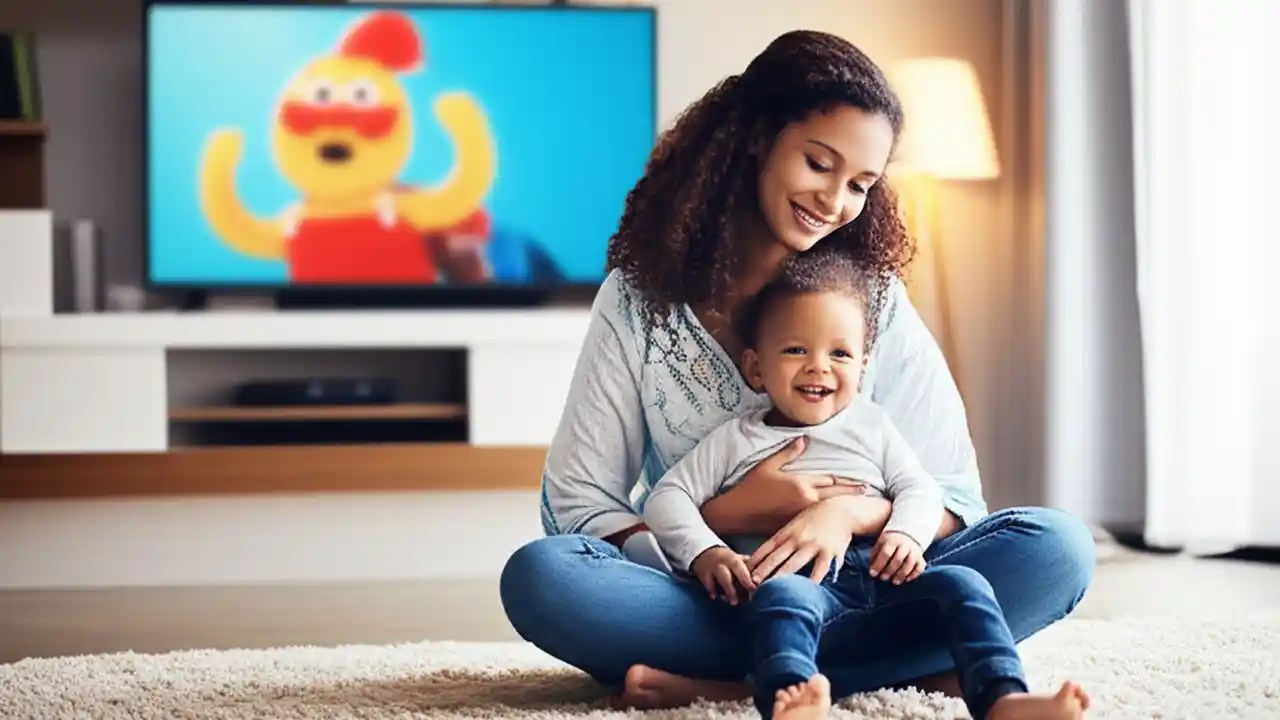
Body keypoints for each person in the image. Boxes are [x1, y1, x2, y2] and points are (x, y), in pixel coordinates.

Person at [499, 28, 1094, 715]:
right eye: (818, 163)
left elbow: (953, 493)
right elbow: (580, 504)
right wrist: (724, 520)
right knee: (543, 579)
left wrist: (842, 514)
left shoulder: (873, 303)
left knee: (1055, 549)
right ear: (757, 136)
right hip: (712, 590)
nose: (835, 201)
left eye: (860, 184)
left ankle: (728, 685)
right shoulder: (639, 300)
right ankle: (898, 668)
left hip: (862, 585)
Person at [639, 252, 1090, 719]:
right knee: (780, 599)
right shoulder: (737, 439)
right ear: (755, 368)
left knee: (963, 581)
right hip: (801, 583)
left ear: (863, 367)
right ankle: (789, 699)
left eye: (839, 353)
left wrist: (903, 535)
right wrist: (706, 552)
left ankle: (1002, 698)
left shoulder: (873, 427)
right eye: (796, 350)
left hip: (885, 576)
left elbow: (919, 489)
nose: (818, 367)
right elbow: (666, 498)